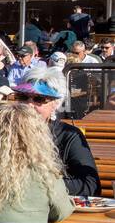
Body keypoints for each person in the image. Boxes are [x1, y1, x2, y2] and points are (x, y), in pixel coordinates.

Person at [13, 65, 100, 197]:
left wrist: (38, 185)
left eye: (39, 99)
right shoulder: (2, 130)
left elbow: (90, 185)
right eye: (23, 97)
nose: (29, 104)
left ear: (55, 104)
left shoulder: (68, 135)